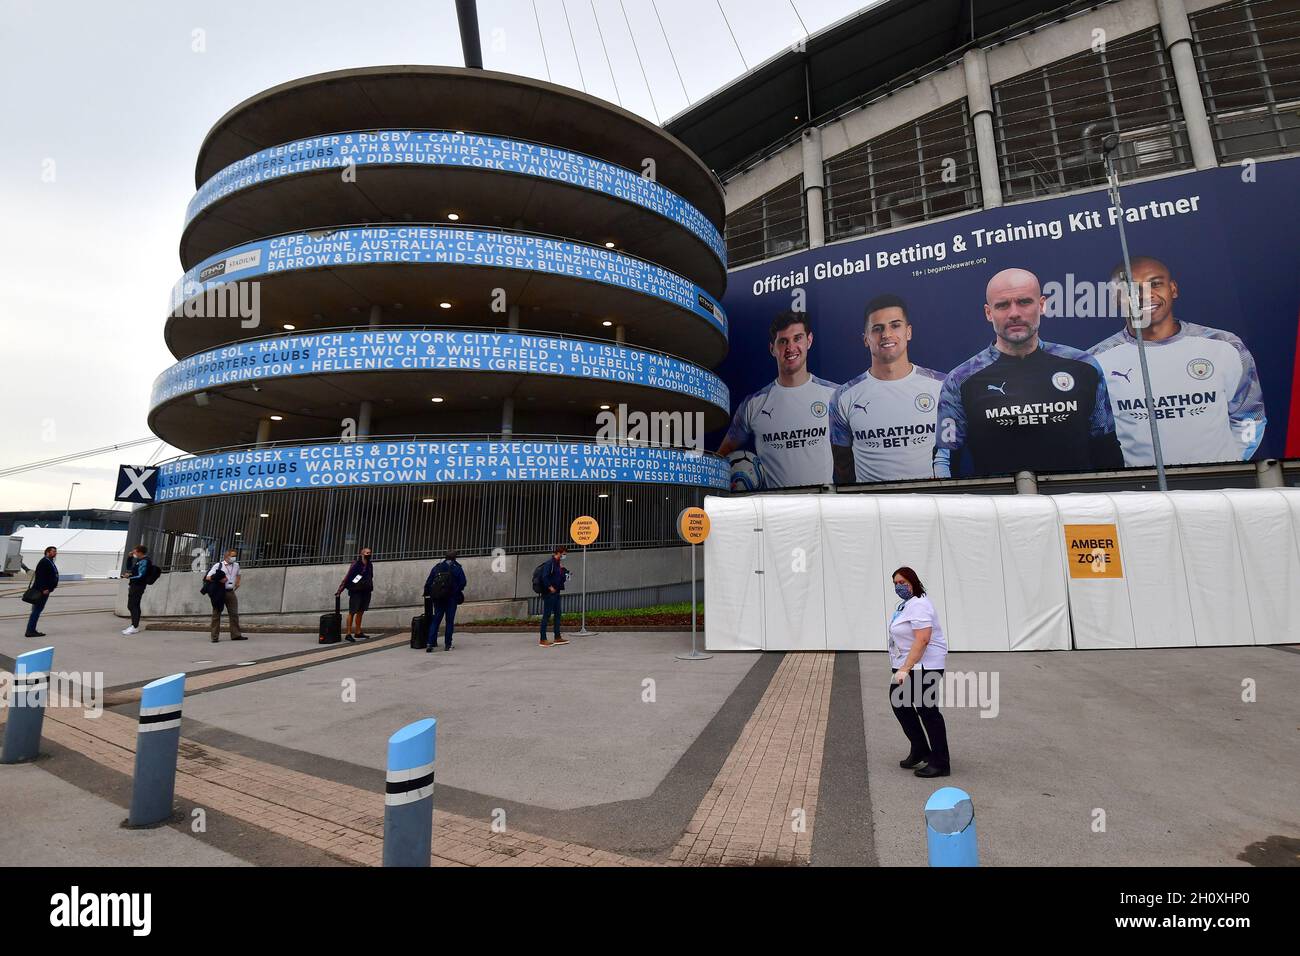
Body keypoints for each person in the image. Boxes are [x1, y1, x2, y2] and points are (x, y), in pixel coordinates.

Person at [934, 267, 1124, 478]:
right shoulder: (960, 380)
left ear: (1041, 304)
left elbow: (1106, 447)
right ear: (989, 313)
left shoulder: (1084, 366)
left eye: (1024, 302)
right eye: (1003, 305)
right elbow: (945, 458)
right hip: (1000, 508)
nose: (1014, 313)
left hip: (1075, 506)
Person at [1088, 255, 1266, 466]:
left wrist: (1231, 464)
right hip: (1141, 493)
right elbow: (1096, 434)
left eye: (1155, 284)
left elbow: (1250, 418)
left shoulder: (1225, 345)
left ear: (1173, 289)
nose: (1145, 296)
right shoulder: (1095, 361)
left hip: (1220, 487)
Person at [717, 310, 839, 488]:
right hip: (775, 511)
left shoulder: (834, 395)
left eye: (797, 338)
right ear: (772, 348)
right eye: (783, 341)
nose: (790, 348)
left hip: (823, 508)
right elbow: (722, 454)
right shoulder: (753, 404)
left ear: (809, 341)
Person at [830, 294, 944, 483]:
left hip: (931, 505)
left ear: (908, 332)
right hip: (873, 508)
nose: (886, 334)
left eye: (895, 325)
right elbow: (843, 469)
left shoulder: (942, 386)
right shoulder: (843, 397)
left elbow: (956, 455)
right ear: (866, 338)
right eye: (877, 329)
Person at [887, 566, 950, 778]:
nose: (899, 587)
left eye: (902, 582)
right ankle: (921, 749)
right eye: (895, 583)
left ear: (913, 582)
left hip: (925, 666)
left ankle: (940, 762)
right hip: (909, 665)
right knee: (900, 703)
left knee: (927, 711)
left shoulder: (920, 605)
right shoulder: (906, 606)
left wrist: (905, 668)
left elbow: (923, 639)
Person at [423, 550, 467, 652]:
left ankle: (430, 643)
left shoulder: (437, 567)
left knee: (436, 620)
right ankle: (448, 645)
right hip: (451, 599)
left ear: (445, 557)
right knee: (449, 621)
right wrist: (455, 591)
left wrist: (430, 594)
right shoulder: (457, 568)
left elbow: (429, 582)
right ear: (455, 558)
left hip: (438, 599)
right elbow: (463, 582)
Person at [205, 548, 244, 643]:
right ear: (226, 556)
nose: (234, 558)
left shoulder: (236, 565)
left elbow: (238, 574)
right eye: (232, 556)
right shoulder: (218, 565)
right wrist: (219, 579)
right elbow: (208, 577)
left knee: (234, 613)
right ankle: (214, 636)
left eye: (235, 556)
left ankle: (236, 634)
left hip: (230, 591)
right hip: (219, 592)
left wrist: (238, 582)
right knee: (216, 614)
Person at [336, 547, 374, 643]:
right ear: (362, 553)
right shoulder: (356, 564)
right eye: (366, 553)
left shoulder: (370, 565)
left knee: (361, 611)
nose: (368, 554)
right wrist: (340, 589)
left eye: (369, 553)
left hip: (366, 591)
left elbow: (371, 576)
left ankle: (358, 631)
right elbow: (348, 577)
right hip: (356, 591)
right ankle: (348, 633)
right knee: (352, 612)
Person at [538, 546, 570, 647]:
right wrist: (550, 587)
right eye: (564, 554)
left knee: (558, 614)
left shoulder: (558, 564)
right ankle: (543, 639)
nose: (564, 556)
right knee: (546, 616)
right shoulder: (550, 563)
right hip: (549, 593)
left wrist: (565, 573)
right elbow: (544, 577)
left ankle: (557, 637)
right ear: (559, 553)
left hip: (557, 592)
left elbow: (559, 578)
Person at [24, 546, 59, 638]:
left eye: (55, 552)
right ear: (47, 552)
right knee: (36, 610)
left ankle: (31, 629)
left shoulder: (49, 561)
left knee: (37, 610)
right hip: (42, 591)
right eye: (53, 551)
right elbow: (40, 577)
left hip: (45, 590)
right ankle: (30, 631)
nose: (55, 553)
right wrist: (44, 588)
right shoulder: (44, 562)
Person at [120, 545, 151, 636]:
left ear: (140, 552)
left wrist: (129, 576)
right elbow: (130, 568)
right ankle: (134, 625)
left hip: (138, 586)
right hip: (134, 585)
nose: (134, 552)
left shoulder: (145, 561)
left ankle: (134, 626)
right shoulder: (139, 561)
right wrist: (129, 558)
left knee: (132, 605)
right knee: (134, 605)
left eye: (135, 551)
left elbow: (141, 575)